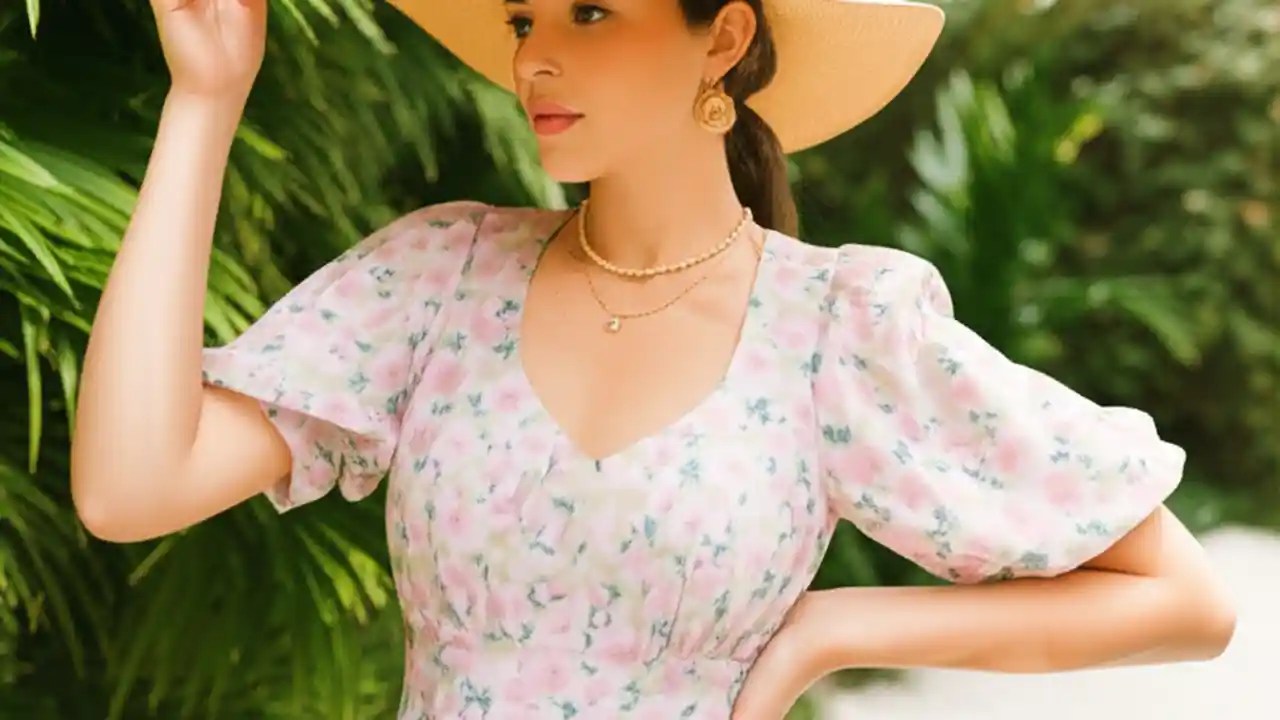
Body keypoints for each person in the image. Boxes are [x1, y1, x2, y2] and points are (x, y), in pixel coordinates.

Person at [70, 0, 1237, 718]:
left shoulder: (835, 325)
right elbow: (129, 488)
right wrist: (203, 102)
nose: (532, 57)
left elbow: (1178, 599)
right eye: (525, 18)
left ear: (721, 37)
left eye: (588, 11)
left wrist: (835, 631)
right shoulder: (436, 279)